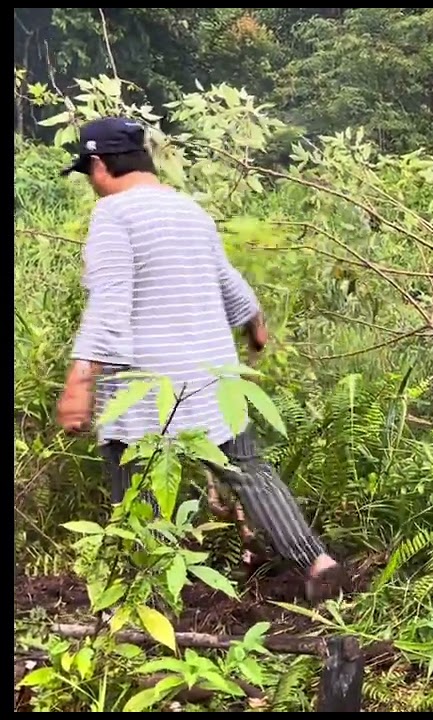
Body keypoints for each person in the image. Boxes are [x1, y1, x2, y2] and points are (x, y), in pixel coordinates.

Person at [53, 116, 345, 602]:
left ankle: (143, 596)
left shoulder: (114, 215)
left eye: (88, 171)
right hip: (212, 376)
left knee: (136, 484)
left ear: (99, 165)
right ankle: (318, 561)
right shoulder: (189, 210)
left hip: (146, 388)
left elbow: (109, 302)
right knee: (249, 470)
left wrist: (80, 379)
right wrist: (254, 320)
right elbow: (226, 278)